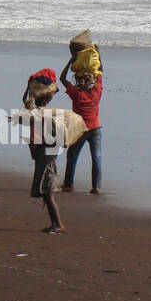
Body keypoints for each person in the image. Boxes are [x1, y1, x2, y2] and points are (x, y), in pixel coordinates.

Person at [59, 49, 104, 194]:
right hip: (96, 128)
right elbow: (100, 72)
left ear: (79, 81)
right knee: (96, 157)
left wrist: (71, 61)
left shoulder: (76, 94)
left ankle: (68, 184)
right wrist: (98, 55)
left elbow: (62, 79)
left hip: (80, 130)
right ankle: (96, 186)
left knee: (72, 155)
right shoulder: (96, 92)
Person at [26, 107, 66, 234]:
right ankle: (54, 223)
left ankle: (58, 224)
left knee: (48, 195)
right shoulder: (54, 137)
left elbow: (34, 149)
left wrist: (32, 145)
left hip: (45, 165)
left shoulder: (41, 127)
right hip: (48, 164)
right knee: (47, 195)